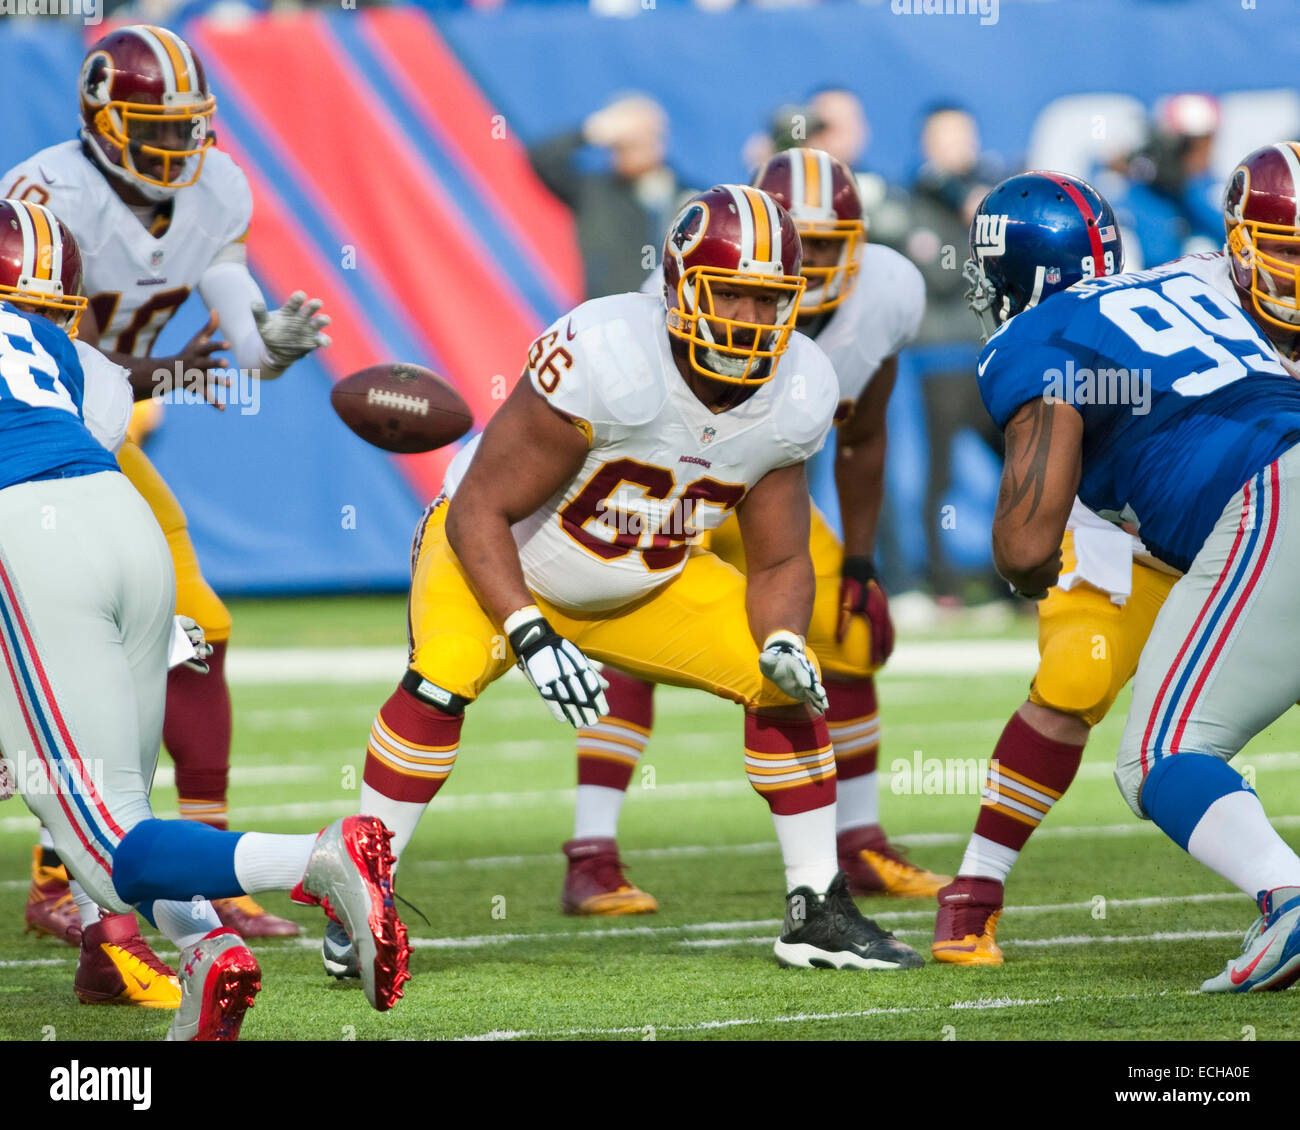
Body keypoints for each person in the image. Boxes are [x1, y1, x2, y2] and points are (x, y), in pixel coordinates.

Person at [324, 185, 924, 978]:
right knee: (441, 681)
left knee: (788, 686)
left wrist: (781, 638)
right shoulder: (608, 353)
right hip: (498, 560)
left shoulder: (800, 386)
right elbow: (479, 512)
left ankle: (815, 909)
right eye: (730, 294)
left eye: (768, 298)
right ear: (678, 291)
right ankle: (360, 894)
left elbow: (778, 560)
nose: (749, 318)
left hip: (645, 576)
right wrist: (530, 634)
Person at [0, 199, 409, 1039]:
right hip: (124, 526)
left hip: (32, 542)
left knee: (107, 851)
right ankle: (206, 954)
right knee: (115, 807)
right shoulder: (69, 354)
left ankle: (316, 858)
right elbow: (100, 434)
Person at [2, 24, 331, 958]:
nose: (181, 147)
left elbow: (241, 356)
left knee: (197, 633)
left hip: (88, 431)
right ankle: (76, 873)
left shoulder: (216, 192)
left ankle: (195, 872)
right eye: (158, 125)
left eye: (191, 126)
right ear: (102, 123)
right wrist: (168, 370)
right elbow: (37, 353)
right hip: (52, 431)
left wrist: (278, 344)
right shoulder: (42, 198)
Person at [559, 149, 947, 918]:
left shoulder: (889, 292)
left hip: (767, 492)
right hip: (681, 486)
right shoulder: (673, 304)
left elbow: (865, 435)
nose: (821, 260)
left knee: (844, 635)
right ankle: (591, 851)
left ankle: (856, 839)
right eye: (809, 242)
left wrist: (864, 558)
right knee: (628, 628)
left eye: (831, 244)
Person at [958, 153, 1300, 992]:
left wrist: (1022, 567)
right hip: (1260, 482)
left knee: (1162, 753)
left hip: (1270, 494)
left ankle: (1286, 895)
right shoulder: (1198, 283)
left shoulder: (1040, 334)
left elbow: (1030, 544)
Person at [528, 94, 684, 298]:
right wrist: (591, 131)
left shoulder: (687, 199)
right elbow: (543, 159)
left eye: (641, 137)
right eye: (623, 142)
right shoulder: (592, 191)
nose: (630, 148)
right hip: (604, 316)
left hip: (666, 318)